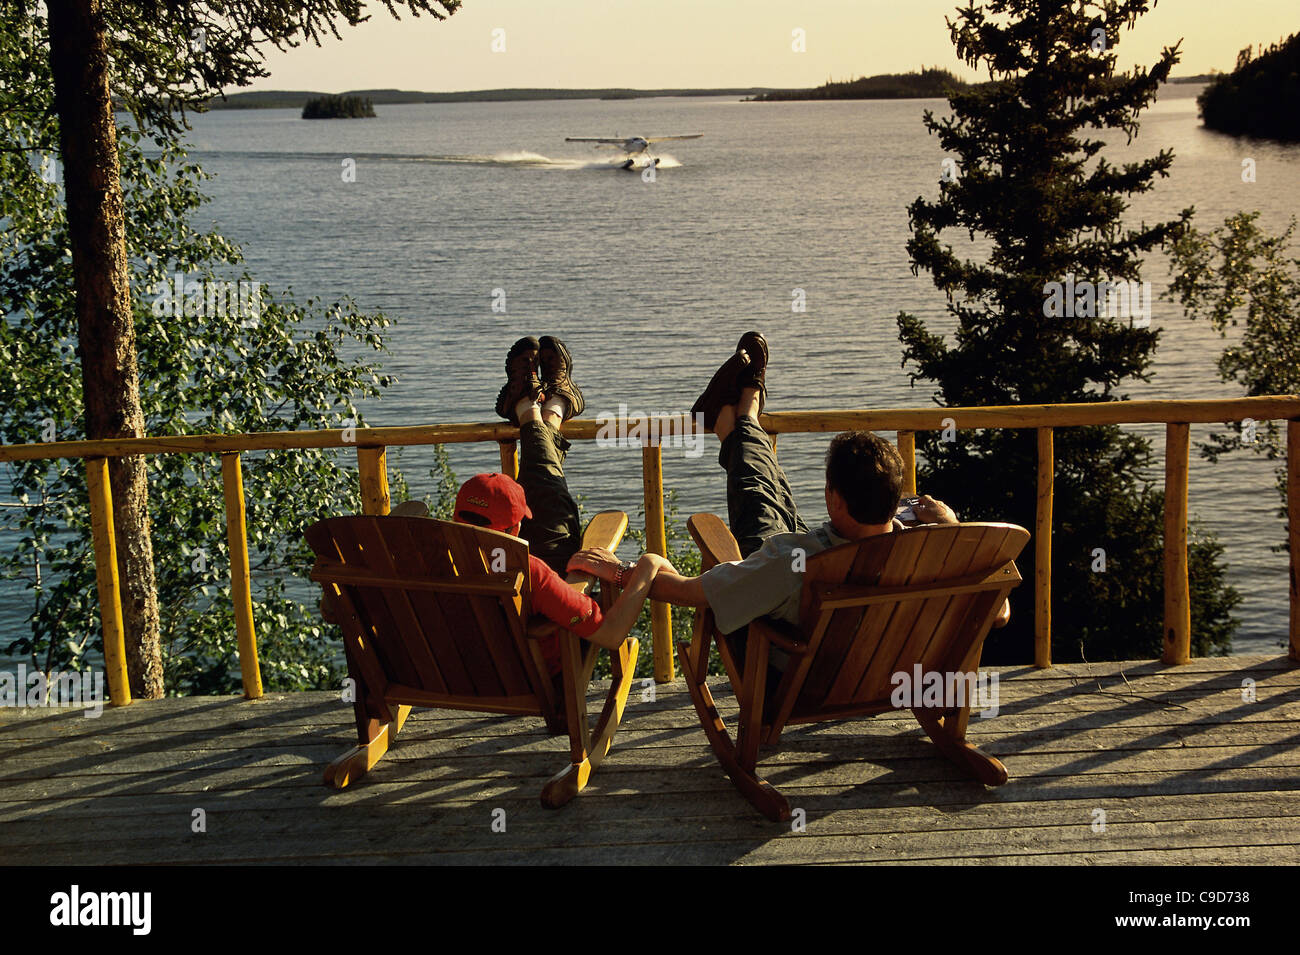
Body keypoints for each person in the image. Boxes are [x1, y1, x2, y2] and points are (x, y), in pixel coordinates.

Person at [566, 331, 1011, 640]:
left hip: (797, 664)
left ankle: (739, 417)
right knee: (770, 492)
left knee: (762, 499)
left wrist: (623, 572)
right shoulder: (938, 555)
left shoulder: (789, 562)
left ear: (835, 499)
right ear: (893, 502)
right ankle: (737, 420)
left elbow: (686, 592)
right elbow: (1002, 611)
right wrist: (949, 528)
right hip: (882, 673)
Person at [462, 335, 660, 674]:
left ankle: (539, 410)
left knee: (549, 496)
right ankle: (545, 409)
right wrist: (645, 570)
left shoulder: (433, 560)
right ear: (518, 527)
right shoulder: (536, 576)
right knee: (550, 502)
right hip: (544, 672)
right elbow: (611, 635)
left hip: (466, 676)